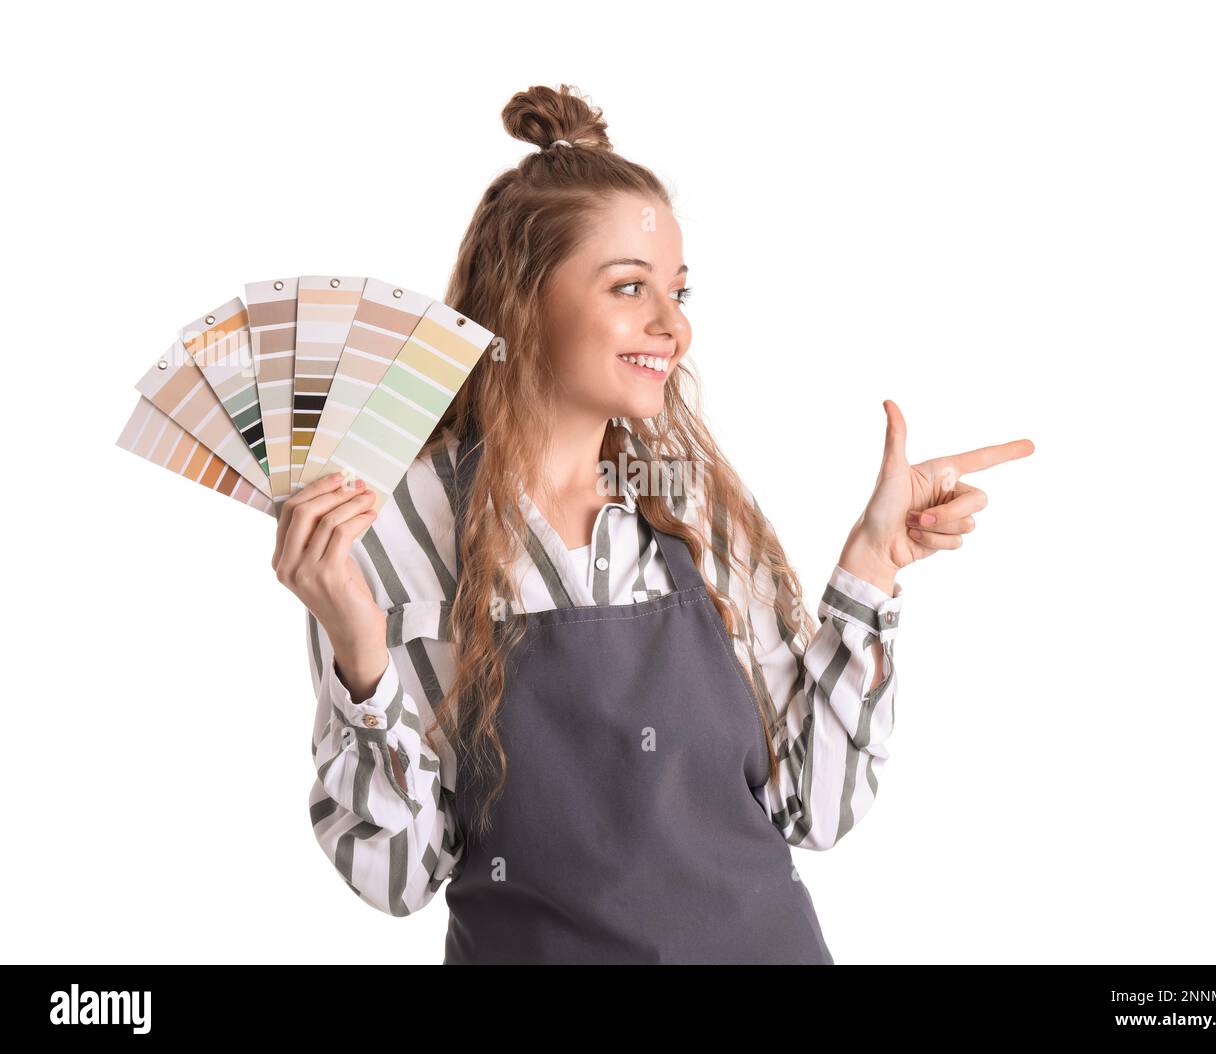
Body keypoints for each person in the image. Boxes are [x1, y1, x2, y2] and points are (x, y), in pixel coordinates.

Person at [272, 84, 1035, 964]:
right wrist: (359, 661)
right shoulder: (385, 525)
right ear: (520, 298)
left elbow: (814, 811)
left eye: (678, 290)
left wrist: (872, 565)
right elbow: (396, 878)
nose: (672, 326)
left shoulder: (689, 501)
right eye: (631, 287)